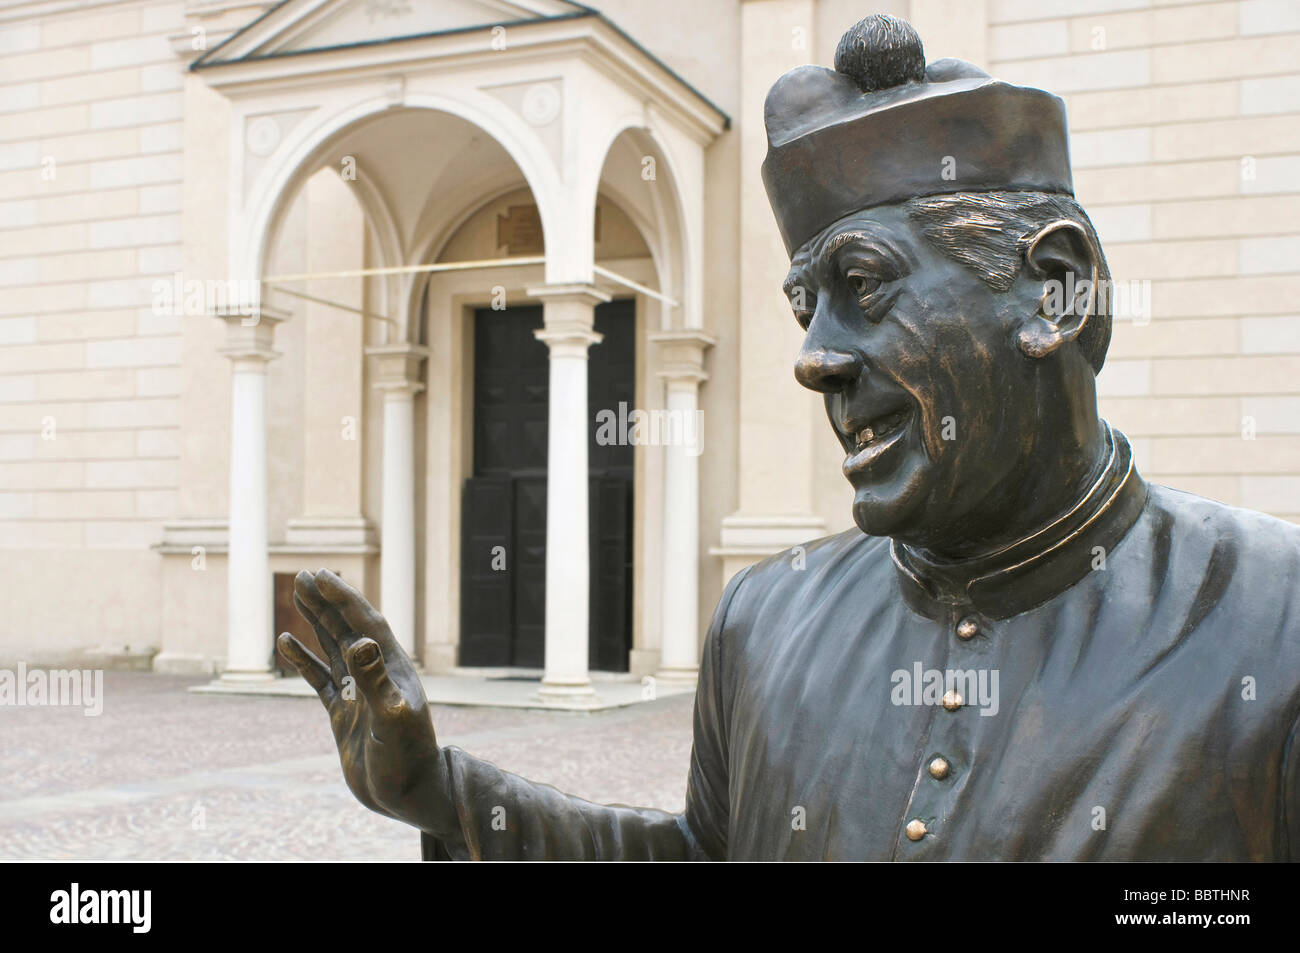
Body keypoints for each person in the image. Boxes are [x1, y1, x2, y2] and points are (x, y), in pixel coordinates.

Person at [281, 14, 1300, 861]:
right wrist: (443, 792)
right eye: (805, 308)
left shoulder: (1275, 618)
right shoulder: (766, 619)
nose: (814, 358)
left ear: (1056, 291)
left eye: (863, 288)